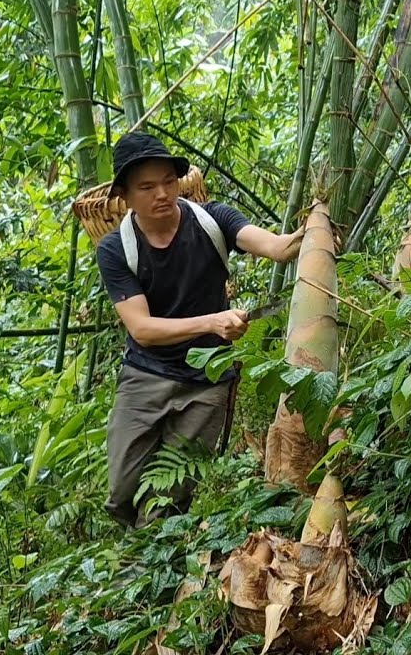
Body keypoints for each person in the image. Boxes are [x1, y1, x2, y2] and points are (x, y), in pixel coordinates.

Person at [95, 132, 302, 528]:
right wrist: (211, 323)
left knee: (166, 502)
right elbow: (142, 329)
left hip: (208, 380)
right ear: (124, 195)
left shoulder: (213, 220)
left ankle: (146, 574)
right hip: (145, 376)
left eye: (169, 182)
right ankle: (135, 552)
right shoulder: (116, 248)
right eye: (147, 186)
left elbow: (275, 247)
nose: (162, 193)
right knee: (122, 492)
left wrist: (308, 233)